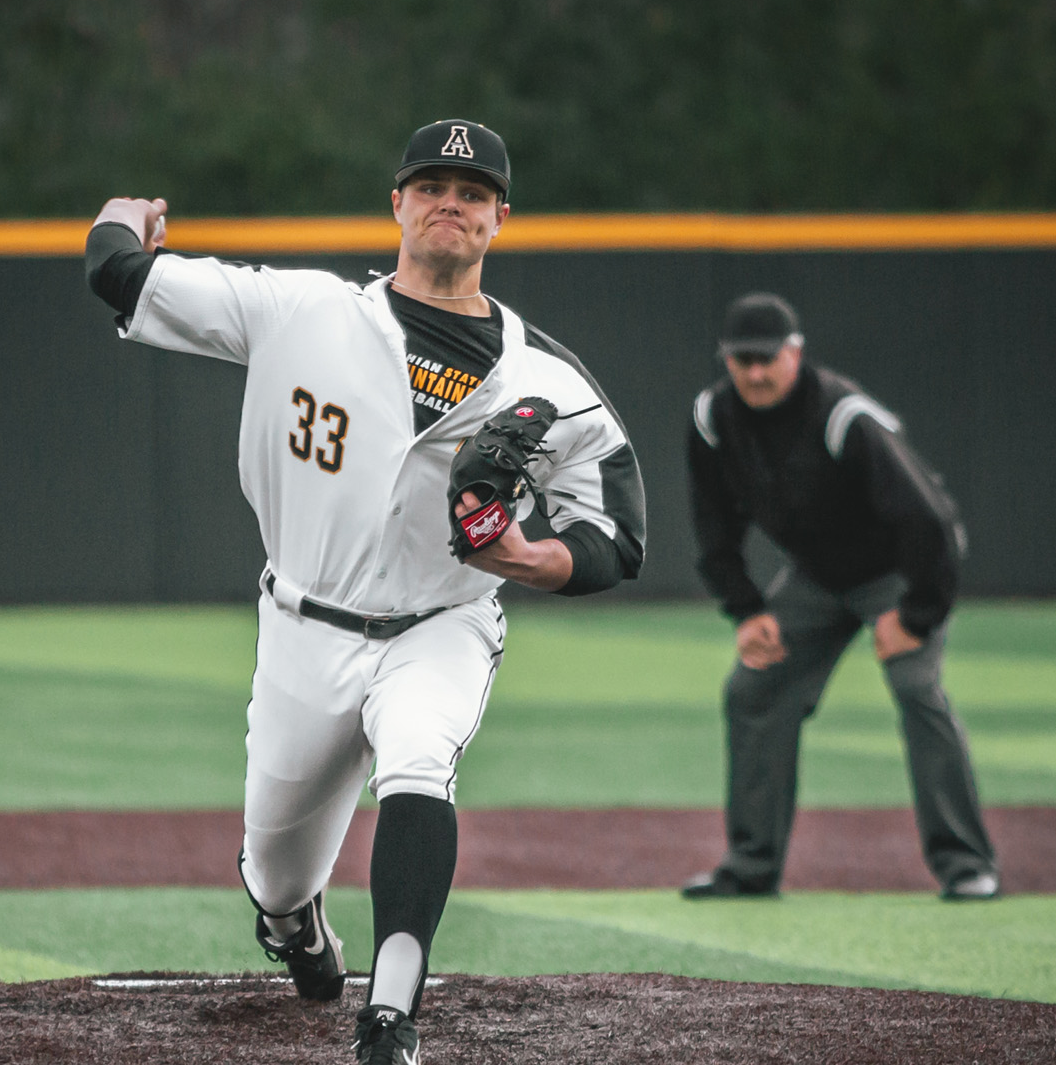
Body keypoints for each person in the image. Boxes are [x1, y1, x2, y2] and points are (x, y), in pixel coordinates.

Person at [83, 119, 645, 1063]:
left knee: (420, 759)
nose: (450, 203)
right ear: (398, 202)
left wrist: (525, 556)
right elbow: (119, 276)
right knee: (274, 867)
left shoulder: (547, 382)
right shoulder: (300, 311)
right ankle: (295, 922)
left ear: (500, 217)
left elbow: (616, 538)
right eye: (432, 185)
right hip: (304, 628)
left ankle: (389, 1018)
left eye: (472, 192)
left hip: (442, 622)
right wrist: (116, 217)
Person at [681, 292, 999, 902]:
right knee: (754, 689)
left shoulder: (842, 416)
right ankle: (751, 867)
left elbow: (931, 524)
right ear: (726, 360)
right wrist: (747, 610)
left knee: (915, 689)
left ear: (795, 354)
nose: (755, 372)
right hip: (820, 577)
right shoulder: (714, 418)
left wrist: (917, 614)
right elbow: (713, 526)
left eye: (767, 358)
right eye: (742, 360)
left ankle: (966, 865)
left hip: (901, 569)